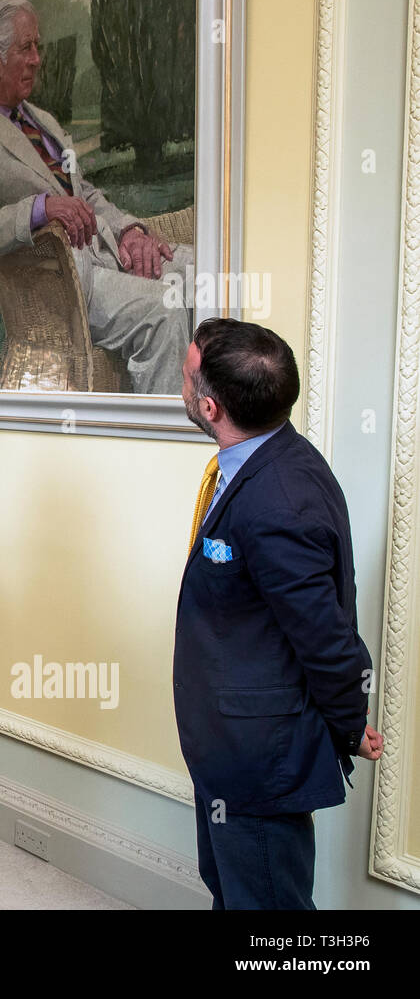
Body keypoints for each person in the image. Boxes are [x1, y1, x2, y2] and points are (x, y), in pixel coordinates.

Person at [175, 317, 383, 909]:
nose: (181, 387)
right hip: (226, 743)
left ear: (210, 406)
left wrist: (348, 721)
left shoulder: (280, 500)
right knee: (233, 891)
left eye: (187, 378)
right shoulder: (266, 459)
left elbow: (327, 639)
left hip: (257, 756)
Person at [0, 0, 193, 394]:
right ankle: (164, 440)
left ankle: (214, 415)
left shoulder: (41, 120)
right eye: (25, 48)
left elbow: (86, 193)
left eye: (37, 46)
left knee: (202, 271)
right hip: (73, 286)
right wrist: (40, 209)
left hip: (111, 252)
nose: (36, 59)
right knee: (163, 310)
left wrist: (131, 231)